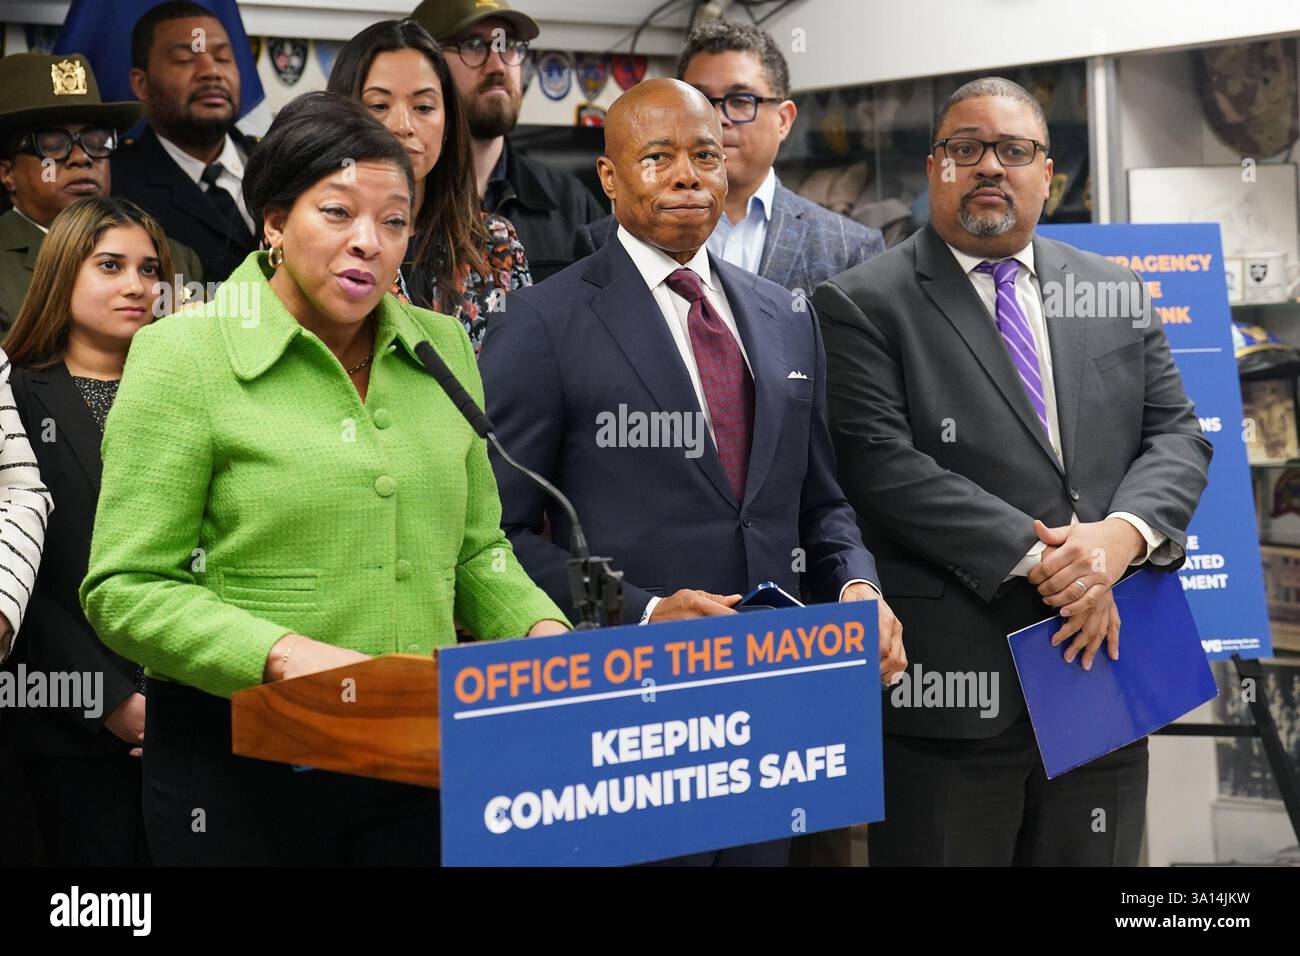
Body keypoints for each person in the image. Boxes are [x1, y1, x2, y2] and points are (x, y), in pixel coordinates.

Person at [80, 92, 569, 866]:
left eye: (394, 221)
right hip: (245, 772)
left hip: (418, 758)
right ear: (274, 223)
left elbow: (478, 553)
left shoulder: (441, 347)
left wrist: (545, 640)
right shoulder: (185, 355)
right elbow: (127, 589)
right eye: (337, 213)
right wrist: (282, 654)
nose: (368, 243)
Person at [478, 79, 905, 866]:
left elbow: (824, 504)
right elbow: (492, 537)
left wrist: (858, 589)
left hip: (779, 720)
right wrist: (638, 615)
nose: (688, 176)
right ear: (609, 179)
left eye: (706, 155)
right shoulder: (542, 323)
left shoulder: (785, 315)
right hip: (632, 721)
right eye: (658, 157)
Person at [814, 77, 1213, 866]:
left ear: (1047, 174)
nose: (990, 165)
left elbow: (1178, 434)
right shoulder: (861, 302)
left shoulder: (1114, 288)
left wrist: (1118, 542)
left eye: (1014, 151)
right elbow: (884, 469)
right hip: (954, 699)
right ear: (936, 168)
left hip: (1102, 668)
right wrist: (1059, 563)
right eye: (967, 148)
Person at [4, 197, 173, 866]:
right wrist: (109, 700)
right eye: (111, 265)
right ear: (60, 274)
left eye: (150, 268)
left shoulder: (189, 392)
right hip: (58, 729)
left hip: (189, 712)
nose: (137, 285)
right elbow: (22, 572)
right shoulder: (13, 393)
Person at [575, 21, 884, 300]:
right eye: (702, 101)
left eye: (740, 101)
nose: (718, 118)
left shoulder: (848, 248)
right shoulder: (605, 239)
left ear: (784, 120)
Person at [328, 18, 530, 352]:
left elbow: (526, 374)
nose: (403, 126)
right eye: (379, 106)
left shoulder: (495, 244)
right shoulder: (312, 236)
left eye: (424, 107)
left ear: (448, 123)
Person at [0, 51, 201, 325]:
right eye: (52, 144)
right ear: (7, 172)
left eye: (96, 140)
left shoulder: (172, 256)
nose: (82, 157)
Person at [411, 0, 606, 283]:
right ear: (424, 65)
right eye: (473, 45)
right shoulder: (395, 204)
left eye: (508, 45)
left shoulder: (569, 202)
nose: (497, 66)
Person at [111, 1, 259, 283]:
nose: (211, 71)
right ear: (141, 84)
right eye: (184, 59)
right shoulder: (117, 185)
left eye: (223, 58)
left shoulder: (279, 166)